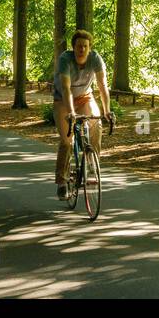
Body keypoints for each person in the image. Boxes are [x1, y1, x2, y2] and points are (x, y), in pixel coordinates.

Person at [52, 29, 113, 201]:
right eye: (79, 46)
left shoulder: (95, 59)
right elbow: (65, 88)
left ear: (90, 47)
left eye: (85, 46)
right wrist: (71, 111)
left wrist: (107, 110)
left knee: (96, 123)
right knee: (67, 141)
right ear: (73, 47)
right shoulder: (65, 59)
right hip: (63, 99)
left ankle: (92, 166)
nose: (82, 49)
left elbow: (102, 86)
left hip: (85, 96)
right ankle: (62, 182)